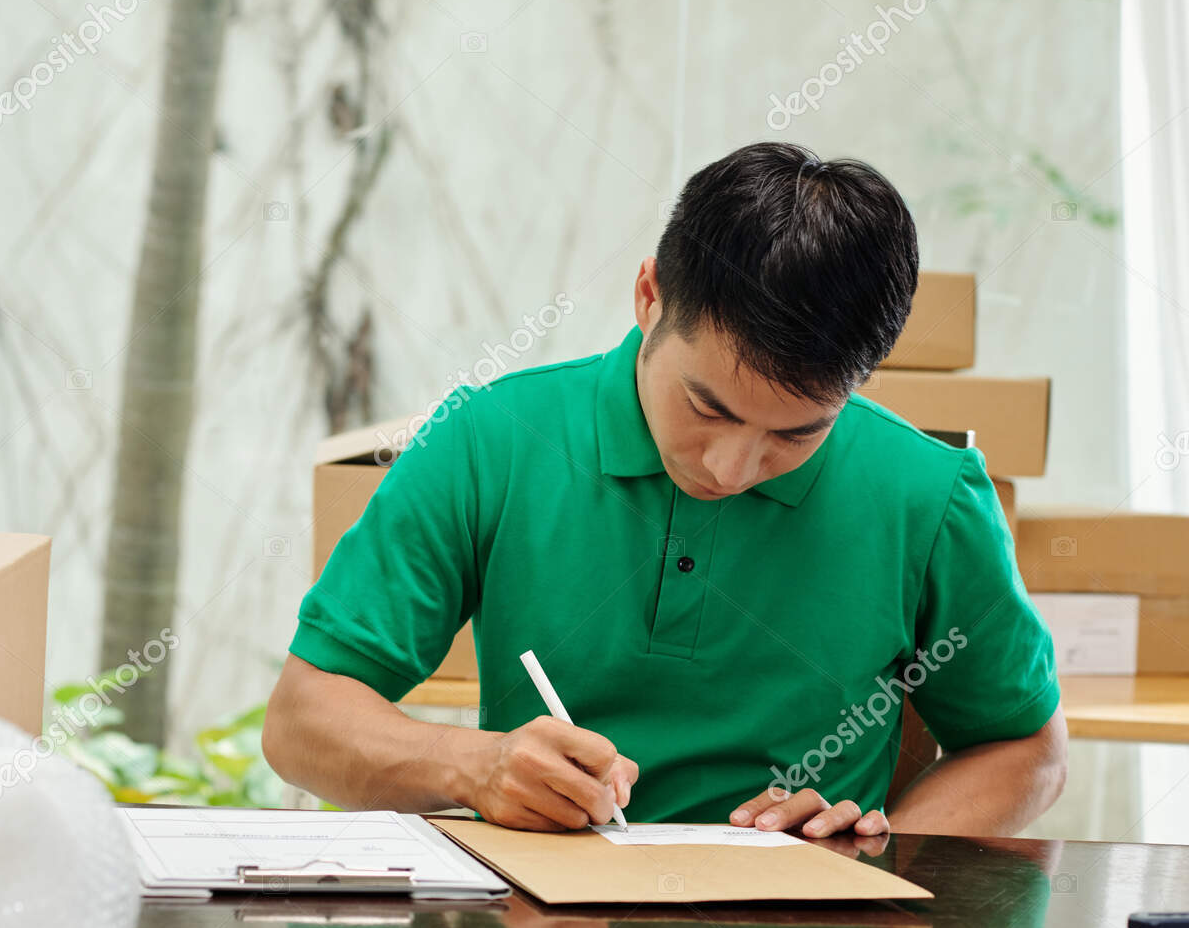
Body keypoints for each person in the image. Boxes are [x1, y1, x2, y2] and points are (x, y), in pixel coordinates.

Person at [263, 141, 1066, 839]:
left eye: (797, 433)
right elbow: (302, 721)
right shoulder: (495, 436)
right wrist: (474, 766)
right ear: (649, 296)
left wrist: (884, 850)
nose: (731, 467)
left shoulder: (930, 495)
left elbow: (1029, 748)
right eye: (706, 406)